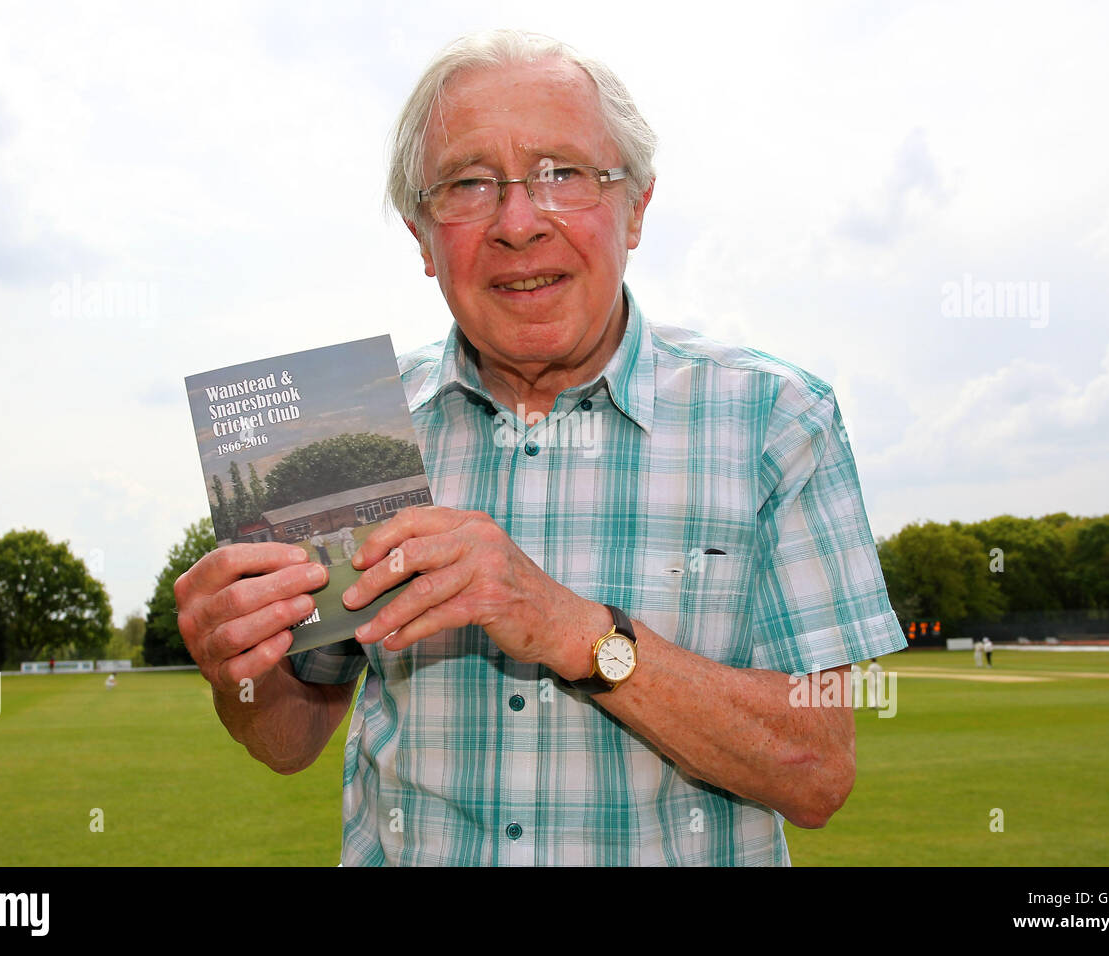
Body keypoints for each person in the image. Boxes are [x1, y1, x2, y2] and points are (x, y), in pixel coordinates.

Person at [174, 29, 906, 866]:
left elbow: (817, 770)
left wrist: (569, 628)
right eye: (468, 185)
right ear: (421, 237)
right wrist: (240, 667)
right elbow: (284, 738)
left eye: (564, 174)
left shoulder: (778, 417)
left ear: (637, 209)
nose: (518, 224)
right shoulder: (341, 437)